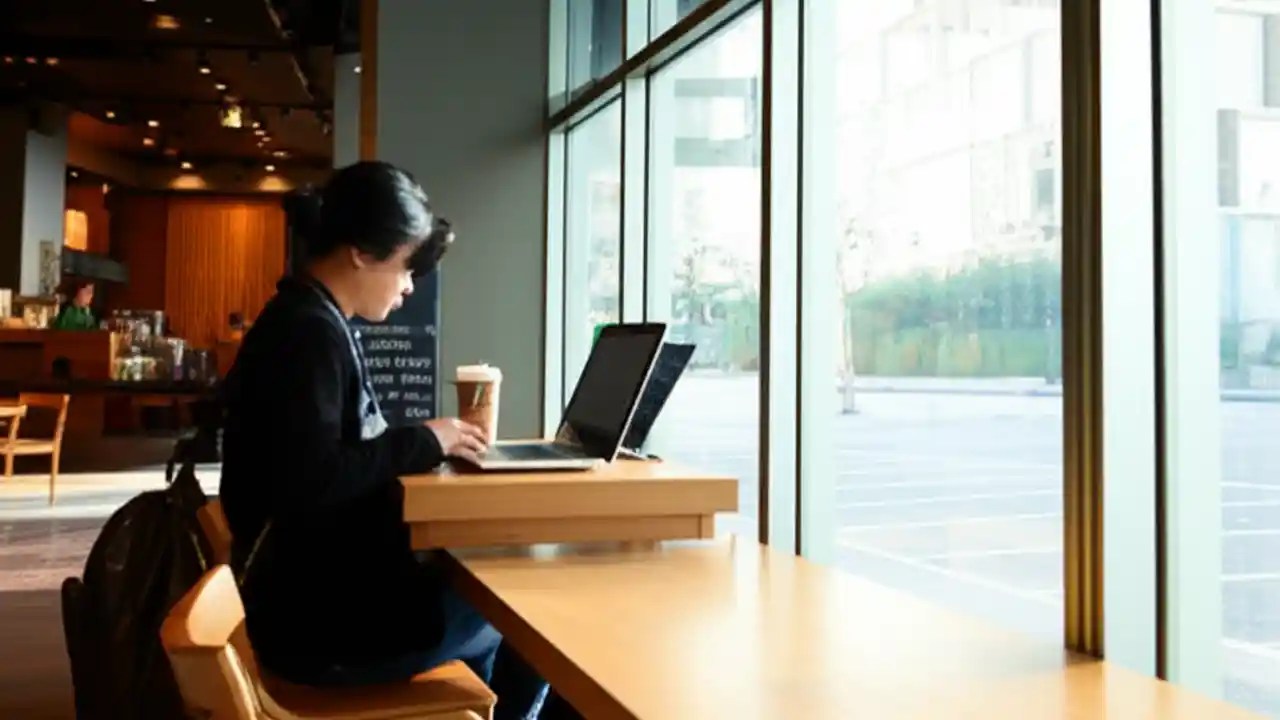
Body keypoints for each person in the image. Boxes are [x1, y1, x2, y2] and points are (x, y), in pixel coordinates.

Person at [218, 161, 553, 718]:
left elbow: (323, 464)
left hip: (306, 606)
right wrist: (425, 440)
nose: (408, 286)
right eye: (405, 266)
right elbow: (314, 480)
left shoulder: (307, 319)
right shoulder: (307, 334)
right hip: (319, 632)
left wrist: (427, 442)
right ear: (362, 252)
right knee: (528, 614)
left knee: (500, 602)